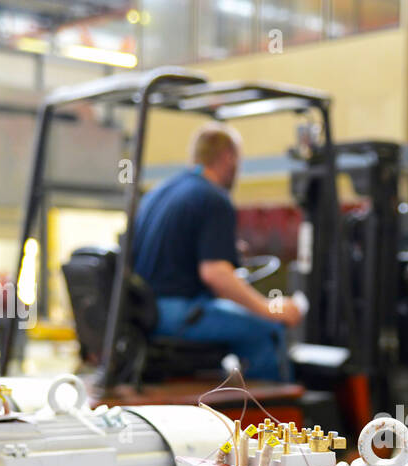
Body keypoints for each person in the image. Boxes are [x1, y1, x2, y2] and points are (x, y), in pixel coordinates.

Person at [129, 122, 304, 381]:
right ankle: (272, 417)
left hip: (143, 310)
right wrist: (270, 309)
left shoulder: (158, 193)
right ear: (228, 157)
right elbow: (216, 275)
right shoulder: (213, 197)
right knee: (268, 331)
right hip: (178, 313)